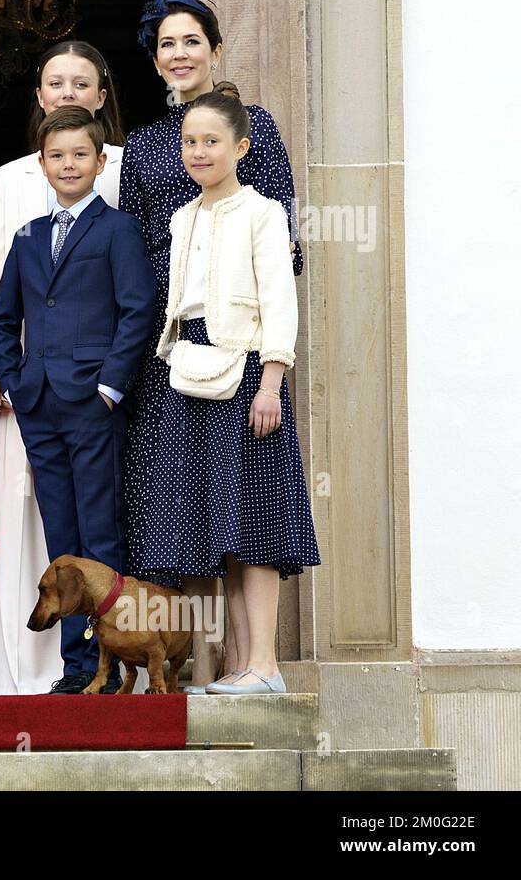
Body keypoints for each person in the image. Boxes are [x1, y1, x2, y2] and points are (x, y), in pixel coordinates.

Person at [119, 0, 303, 691]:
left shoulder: (254, 130)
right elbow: (137, 249)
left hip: (244, 347)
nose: (180, 53)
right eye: (167, 43)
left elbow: (283, 250)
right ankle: (199, 666)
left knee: (248, 506)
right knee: (191, 511)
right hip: (175, 353)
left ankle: (252, 665)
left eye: (192, 40)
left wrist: (270, 368)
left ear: (214, 49)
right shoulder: (143, 147)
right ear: (156, 57)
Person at [0, 41, 130, 695]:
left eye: (80, 82)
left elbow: (136, 294)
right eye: (54, 82)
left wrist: (116, 381)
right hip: (34, 390)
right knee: (38, 517)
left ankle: (112, 663)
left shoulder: (125, 169)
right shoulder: (12, 179)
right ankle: (37, 668)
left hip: (100, 390)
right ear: (39, 96)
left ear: (100, 93)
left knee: (103, 522)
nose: (66, 91)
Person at [150, 90, 321, 693]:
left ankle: (265, 665)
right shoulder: (181, 217)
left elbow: (280, 300)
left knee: (257, 523)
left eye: (212, 141)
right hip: (188, 374)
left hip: (248, 375)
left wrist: (272, 379)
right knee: (210, 525)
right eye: (190, 142)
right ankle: (232, 665)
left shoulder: (264, 213)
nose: (198, 151)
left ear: (241, 147)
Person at [0, 105, 156, 694]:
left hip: (93, 401)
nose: (68, 164)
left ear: (100, 160)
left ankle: (110, 669)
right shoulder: (28, 236)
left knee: (99, 535)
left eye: (79, 155)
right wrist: (14, 381)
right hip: (39, 405)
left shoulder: (117, 229)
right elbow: (2, 321)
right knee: (61, 539)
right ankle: (75, 667)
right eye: (57, 155)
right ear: (42, 162)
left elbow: (138, 311)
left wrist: (110, 385)